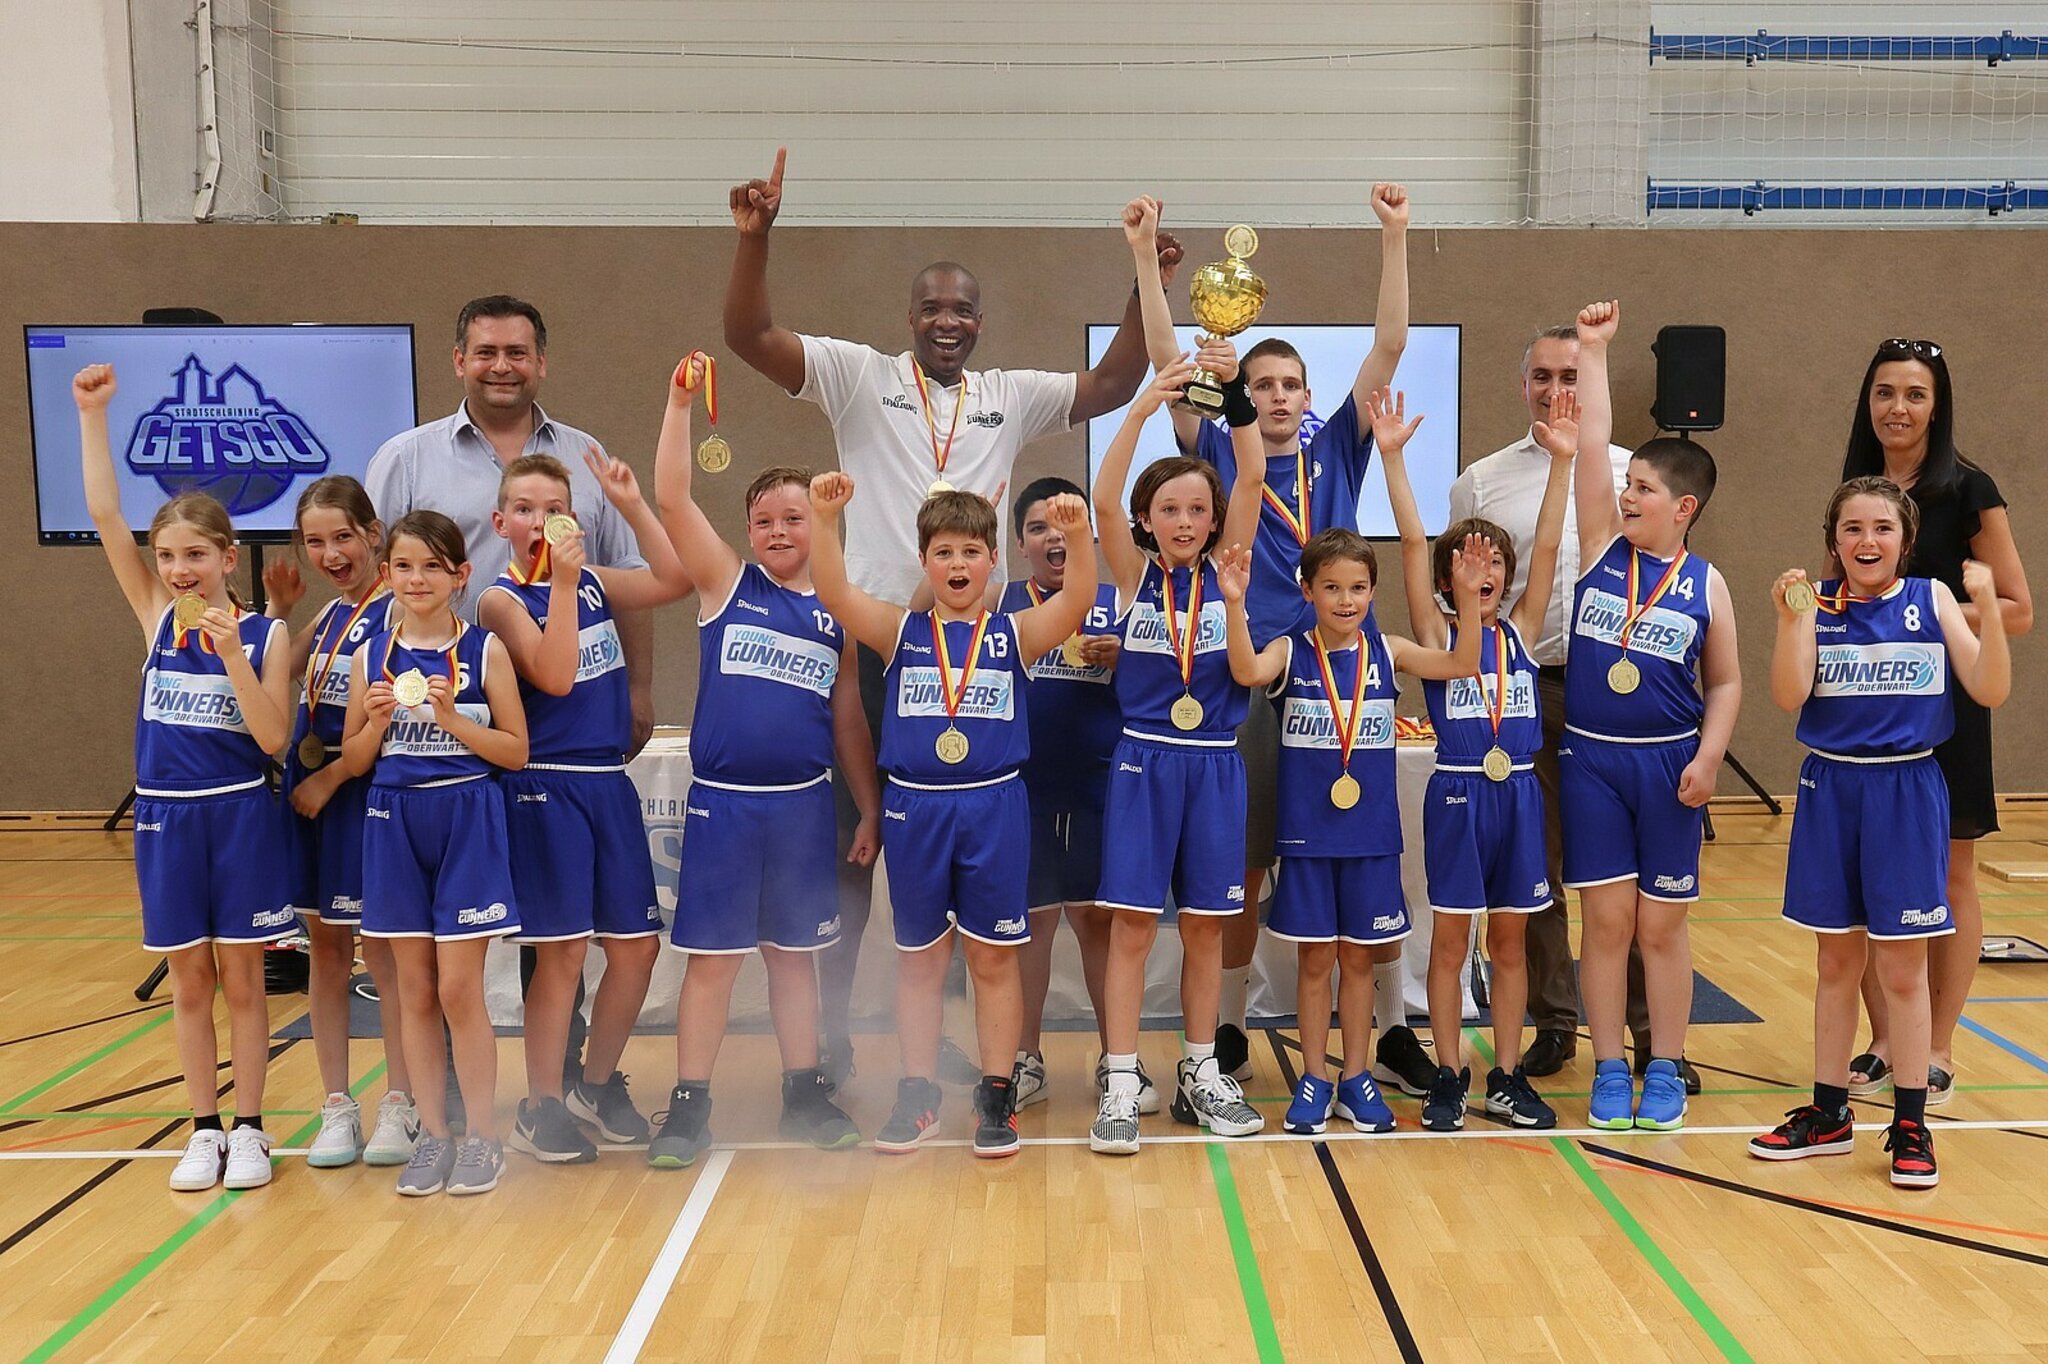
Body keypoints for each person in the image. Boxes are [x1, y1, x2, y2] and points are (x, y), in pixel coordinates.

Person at [721, 149, 1180, 1076]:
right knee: (863, 840)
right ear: (910, 317)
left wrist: (1146, 288)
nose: (947, 320)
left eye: (963, 309)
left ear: (979, 321)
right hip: (883, 635)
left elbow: (1107, 387)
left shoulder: (1007, 396)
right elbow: (749, 335)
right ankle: (837, 1042)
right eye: (932, 306)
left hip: (978, 650)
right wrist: (754, 240)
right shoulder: (856, 376)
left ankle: (993, 1057)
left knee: (981, 847)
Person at [1125, 189, 1418, 1090]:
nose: (1279, 397)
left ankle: (1391, 1031)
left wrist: (1396, 236)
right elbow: (1170, 358)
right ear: (1241, 398)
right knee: (1244, 864)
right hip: (1251, 674)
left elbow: (1392, 346)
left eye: (1291, 384)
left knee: (1364, 850)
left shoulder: (1340, 446)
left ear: (1311, 396)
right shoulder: (1216, 447)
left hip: (1344, 673)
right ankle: (1230, 1024)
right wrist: (1144, 258)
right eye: (1262, 386)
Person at [366, 293, 656, 1088]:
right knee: (452, 927)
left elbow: (633, 578)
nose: (502, 365)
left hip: (561, 725)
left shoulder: (587, 455)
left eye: (518, 352)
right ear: (459, 360)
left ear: (542, 362)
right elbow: (376, 584)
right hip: (449, 718)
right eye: (486, 351)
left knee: (559, 932)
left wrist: (639, 690)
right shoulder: (406, 458)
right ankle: (441, 1087)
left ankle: (559, 1082)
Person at [808, 474, 1099, 1158]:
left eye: (972, 551)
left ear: (993, 561)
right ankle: (918, 1095)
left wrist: (1079, 534)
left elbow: (1080, 596)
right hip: (916, 809)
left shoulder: (1017, 633)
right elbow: (833, 593)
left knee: (994, 959)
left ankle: (996, 1096)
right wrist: (825, 521)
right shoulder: (898, 630)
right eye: (944, 552)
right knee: (920, 961)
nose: (959, 565)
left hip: (996, 804)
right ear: (924, 561)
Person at [645, 355, 876, 1168]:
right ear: (747, 533)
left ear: (821, 526)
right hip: (724, 806)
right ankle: (688, 1106)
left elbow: (848, 721)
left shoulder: (838, 615)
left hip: (805, 806)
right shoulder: (725, 586)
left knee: (795, 960)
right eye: (766, 520)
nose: (780, 531)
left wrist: (871, 808)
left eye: (795, 518)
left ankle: (803, 1092)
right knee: (711, 964)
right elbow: (672, 496)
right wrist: (678, 406)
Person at [1750, 477, 2009, 1189]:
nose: (1867, 541)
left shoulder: (1930, 601)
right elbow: (1787, 694)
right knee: (1836, 965)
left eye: (1883, 529)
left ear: (1906, 539)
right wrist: (1787, 619)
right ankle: (1830, 1112)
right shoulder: (1814, 603)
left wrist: (1985, 606)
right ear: (1833, 539)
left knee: (1901, 969)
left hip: (1907, 791)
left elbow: (1989, 689)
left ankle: (1910, 1123)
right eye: (1852, 529)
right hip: (1831, 790)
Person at [74, 362, 295, 1194]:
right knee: (190, 979)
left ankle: (251, 1128)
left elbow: (273, 741)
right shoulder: (155, 616)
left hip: (237, 819)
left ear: (228, 557)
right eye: (167, 555)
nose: (177, 569)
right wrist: (94, 416)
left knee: (243, 979)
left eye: (195, 554)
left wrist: (235, 652)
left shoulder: (266, 637)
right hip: (167, 822)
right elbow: (104, 513)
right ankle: (202, 1127)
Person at [1448, 323, 1670, 1088]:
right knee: (1530, 864)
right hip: (1526, 692)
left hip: (1623, 694)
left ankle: (1649, 1035)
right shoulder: (1480, 480)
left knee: (1629, 870)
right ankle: (1554, 1022)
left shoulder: (1633, 476)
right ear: (1523, 385)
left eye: (1570, 373)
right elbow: (1462, 598)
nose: (1556, 389)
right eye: (1542, 375)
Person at [1222, 522, 1486, 1136]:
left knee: (1360, 964)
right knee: (1317, 964)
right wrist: (1235, 605)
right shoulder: (1289, 652)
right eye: (1333, 587)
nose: (1346, 600)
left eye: (1359, 587)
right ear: (1307, 589)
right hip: (1309, 840)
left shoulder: (1388, 652)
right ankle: (1315, 1078)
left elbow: (1462, 661)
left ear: (1372, 592)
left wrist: (1469, 600)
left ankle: (1357, 1075)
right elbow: (1243, 671)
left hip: (1371, 840)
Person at [478, 449, 691, 1164]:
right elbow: (557, 676)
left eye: (555, 508)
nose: (542, 520)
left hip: (606, 782)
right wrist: (566, 584)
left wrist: (631, 501)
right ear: (502, 521)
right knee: (563, 954)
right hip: (544, 784)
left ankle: (593, 1086)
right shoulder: (500, 600)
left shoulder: (591, 579)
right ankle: (539, 1105)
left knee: (635, 950)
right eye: (527, 509)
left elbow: (675, 579)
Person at [1836, 339, 2033, 1106]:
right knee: (1864, 879)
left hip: (1944, 712)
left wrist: (1951, 607)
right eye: (1885, 392)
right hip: (1864, 713)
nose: (1898, 408)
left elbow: (2016, 608)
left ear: (1936, 404)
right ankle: (1888, 1040)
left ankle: (1940, 1043)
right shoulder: (1858, 488)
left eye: (1915, 394)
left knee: (1950, 877)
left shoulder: (1969, 487)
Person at [1380, 387, 1577, 1131]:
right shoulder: (1438, 634)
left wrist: (1561, 463)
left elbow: (1551, 545)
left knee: (1510, 939)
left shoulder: (1522, 630)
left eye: (1493, 558)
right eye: (1466, 558)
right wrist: (1395, 458)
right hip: (1460, 794)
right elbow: (1406, 541)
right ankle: (1449, 1074)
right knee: (1453, 939)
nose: (1481, 566)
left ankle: (1505, 1074)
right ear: (1445, 577)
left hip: (1518, 795)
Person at [1567, 300, 1741, 1133]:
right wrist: (1594, 353)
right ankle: (1606, 1067)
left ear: (1685, 509)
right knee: (1605, 921)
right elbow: (1594, 452)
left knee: (1661, 928)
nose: (1627, 494)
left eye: (1645, 488)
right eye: (1626, 483)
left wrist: (1709, 759)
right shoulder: (1601, 543)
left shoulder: (1707, 585)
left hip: (1669, 765)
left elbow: (1729, 683)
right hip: (1594, 760)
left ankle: (1665, 1063)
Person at [1088, 358, 1265, 1156]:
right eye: (1170, 509)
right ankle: (1121, 1078)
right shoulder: (1132, 577)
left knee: (1205, 928)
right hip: (1144, 763)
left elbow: (1254, 469)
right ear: (1148, 520)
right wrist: (1138, 410)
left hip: (1216, 763)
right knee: (1131, 926)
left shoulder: (1233, 573)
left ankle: (1199, 1069)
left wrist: (1232, 398)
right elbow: (1100, 497)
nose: (1186, 520)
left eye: (1198, 507)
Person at [344, 511, 527, 1196]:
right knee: (414, 991)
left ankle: (484, 1136)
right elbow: (358, 758)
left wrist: (453, 721)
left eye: (430, 566)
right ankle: (434, 1136)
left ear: (459, 574)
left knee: (457, 988)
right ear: (386, 572)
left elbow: (516, 749)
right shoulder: (373, 656)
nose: (415, 579)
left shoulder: (485, 652)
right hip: (394, 821)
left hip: (467, 818)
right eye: (402, 566)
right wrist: (377, 722)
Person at [261, 478, 417, 1170]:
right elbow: (275, 677)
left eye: (342, 537)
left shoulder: (397, 613)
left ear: (374, 533)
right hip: (313, 795)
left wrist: (330, 777)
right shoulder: (328, 619)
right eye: (314, 541)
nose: (329, 553)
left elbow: (385, 722)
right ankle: (336, 1105)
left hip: (358, 791)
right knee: (325, 953)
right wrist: (275, 611)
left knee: (384, 959)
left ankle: (402, 1102)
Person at [998, 478, 1138, 1112]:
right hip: (1022, 790)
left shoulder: (1118, 604)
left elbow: (1166, 695)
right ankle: (1026, 1059)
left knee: (1097, 924)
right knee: (1029, 929)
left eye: (1066, 523)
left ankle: (1117, 1062)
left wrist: (1126, 663)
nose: (1054, 535)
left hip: (1098, 788)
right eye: (1037, 527)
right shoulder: (998, 604)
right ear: (1020, 544)